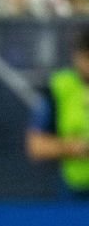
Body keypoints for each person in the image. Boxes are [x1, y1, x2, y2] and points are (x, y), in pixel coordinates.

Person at [26, 27, 89, 198]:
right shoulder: (58, 87)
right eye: (86, 56)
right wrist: (77, 148)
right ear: (76, 55)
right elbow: (36, 146)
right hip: (72, 192)